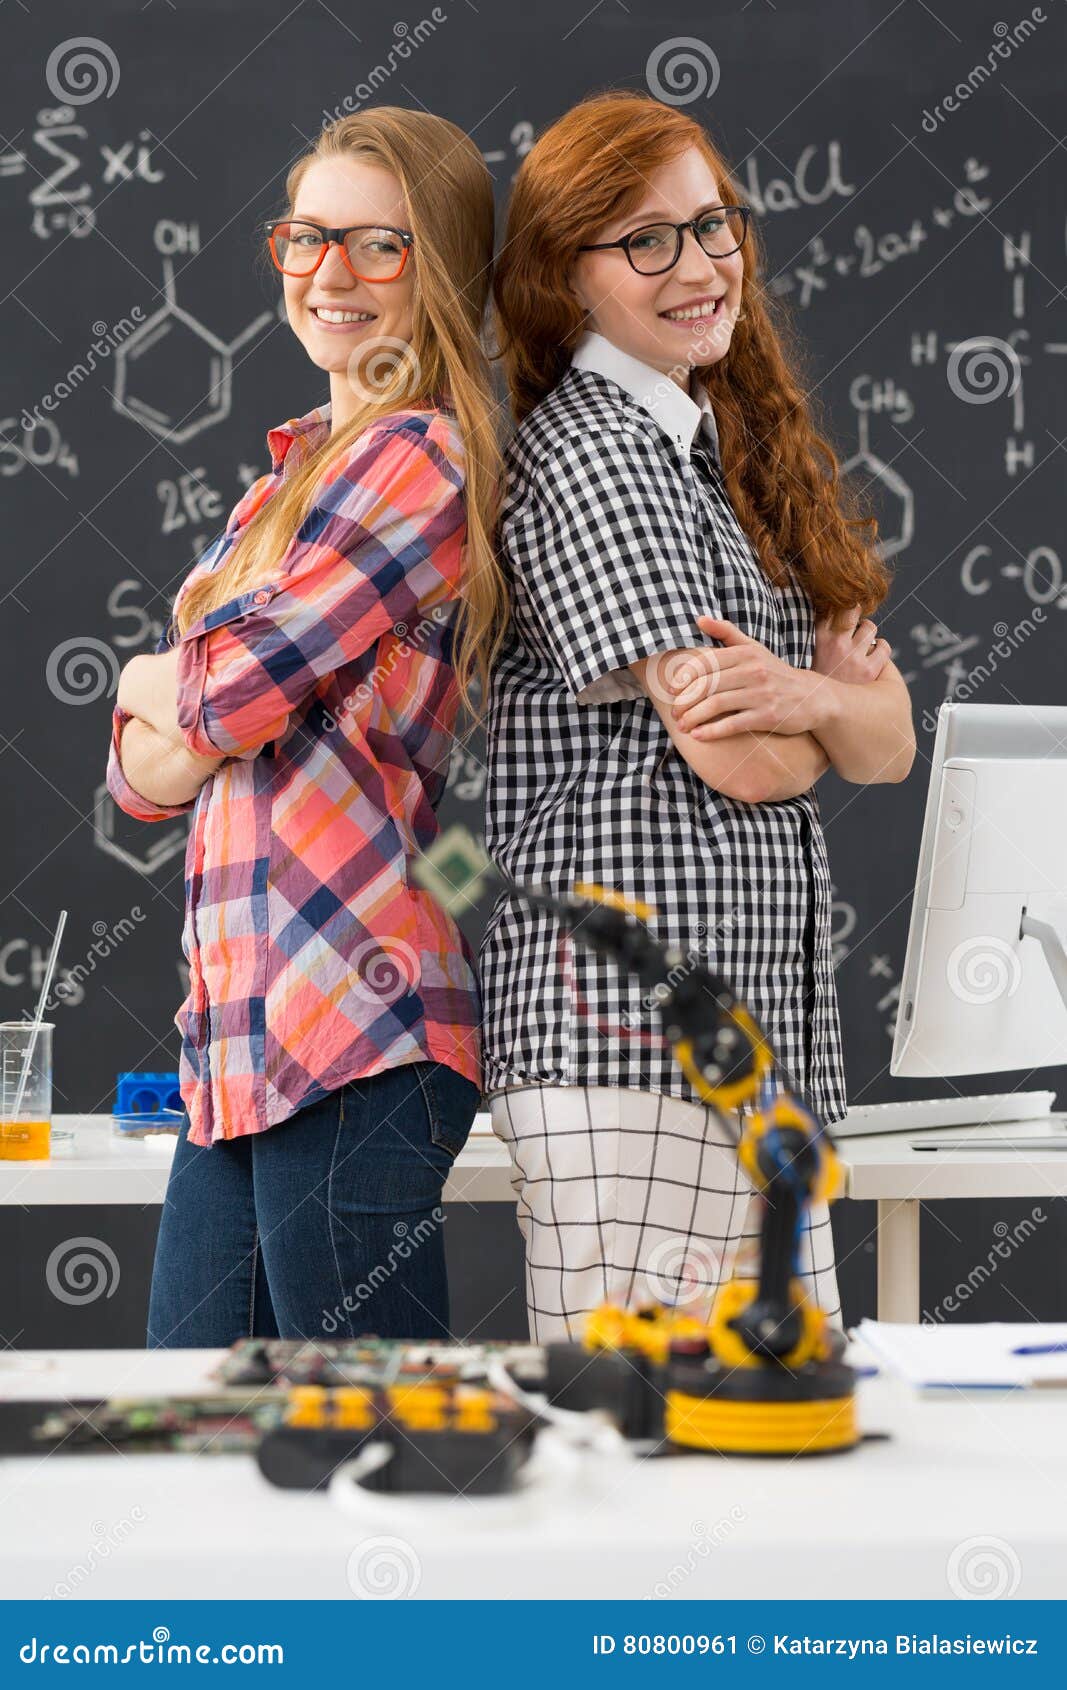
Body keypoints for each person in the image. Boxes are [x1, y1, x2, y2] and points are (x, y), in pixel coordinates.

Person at [481, 90, 916, 1342]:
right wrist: (824, 711)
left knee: (765, 1451)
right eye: (645, 241)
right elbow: (739, 761)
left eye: (709, 224)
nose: (699, 265)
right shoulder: (596, 454)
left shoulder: (704, 448)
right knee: (648, 1446)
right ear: (568, 278)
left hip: (730, 1042)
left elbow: (886, 745)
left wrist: (814, 700)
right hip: (627, 1042)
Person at [105, 108, 507, 1346]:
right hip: (232, 1050)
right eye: (306, 236)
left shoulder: (417, 458)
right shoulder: (280, 486)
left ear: (435, 265)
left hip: (354, 1027)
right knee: (189, 1436)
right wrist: (175, 700)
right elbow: (145, 782)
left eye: (378, 245)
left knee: (362, 1441)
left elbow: (215, 698)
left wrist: (140, 672)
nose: (329, 274)